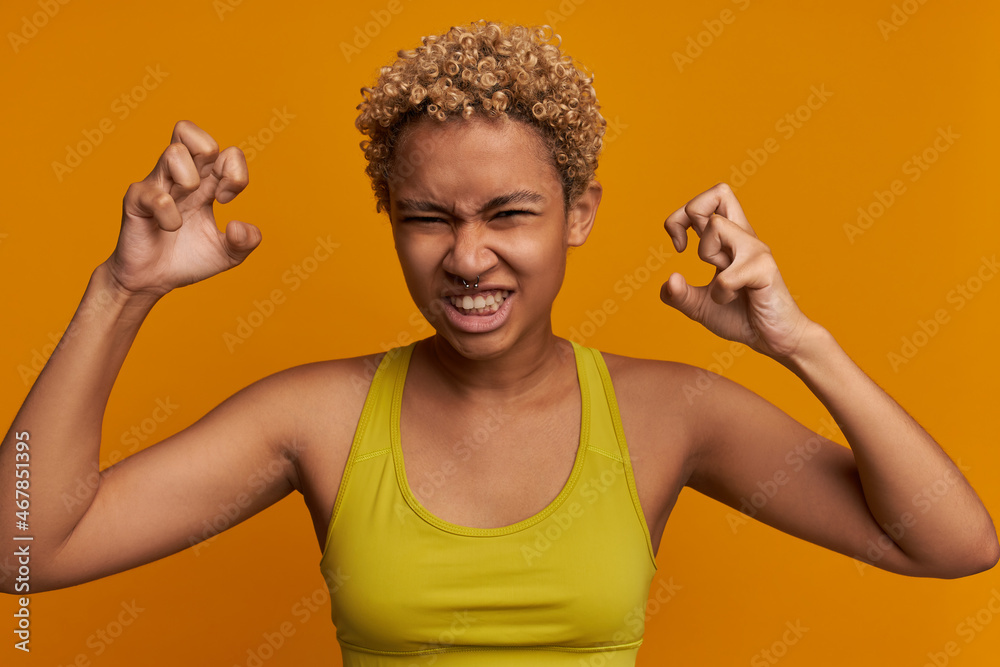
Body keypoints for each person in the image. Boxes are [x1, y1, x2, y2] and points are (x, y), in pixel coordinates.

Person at [1, 19, 997, 666]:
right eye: (426, 216)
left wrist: (799, 341)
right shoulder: (316, 415)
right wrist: (119, 291)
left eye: (509, 212)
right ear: (389, 213)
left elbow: (955, 546)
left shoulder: (668, 414)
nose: (467, 256)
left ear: (578, 213)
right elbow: (22, 552)